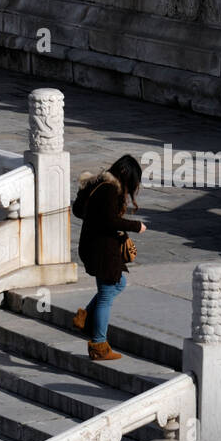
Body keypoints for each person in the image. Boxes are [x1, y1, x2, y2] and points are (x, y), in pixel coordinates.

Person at [70, 154, 147, 360]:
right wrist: (136, 226)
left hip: (94, 247)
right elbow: (110, 221)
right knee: (106, 296)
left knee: (119, 283)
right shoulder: (110, 190)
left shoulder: (98, 184)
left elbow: (79, 210)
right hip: (102, 251)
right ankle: (99, 346)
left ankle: (85, 317)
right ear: (125, 174)